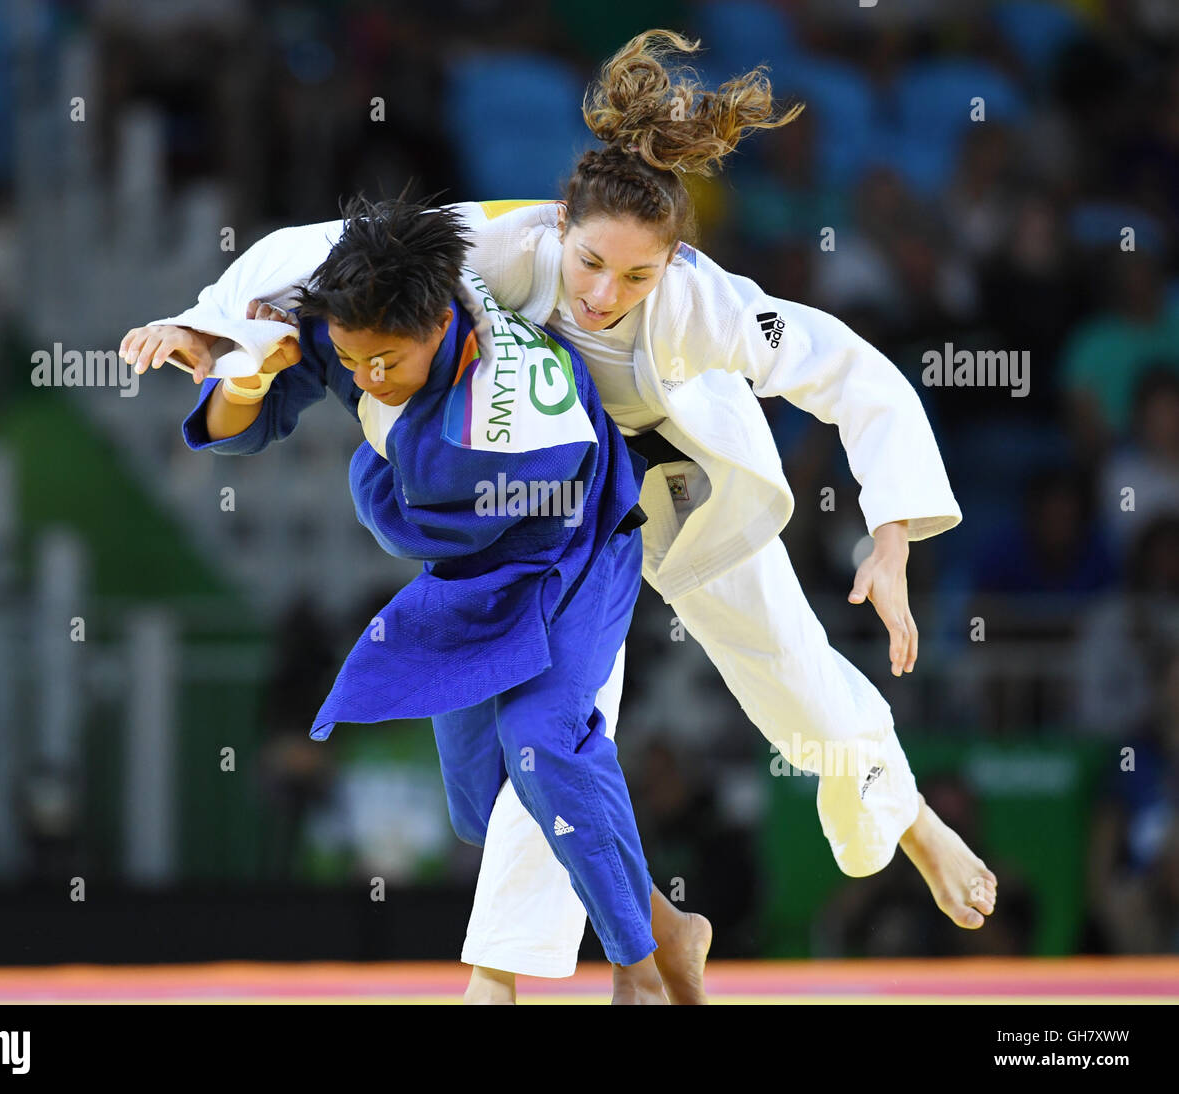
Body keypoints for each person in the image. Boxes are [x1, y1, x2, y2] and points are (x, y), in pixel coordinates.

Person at [121, 29, 998, 1004]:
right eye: (588, 264)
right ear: (559, 227)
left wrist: (890, 536)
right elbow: (316, 253)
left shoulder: (705, 304)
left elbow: (852, 370)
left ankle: (907, 814)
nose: (601, 293)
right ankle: (507, 975)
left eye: (634, 277)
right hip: (565, 519)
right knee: (554, 723)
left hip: (682, 492)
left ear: (673, 260)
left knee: (787, 668)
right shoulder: (502, 244)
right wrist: (206, 323)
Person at [119, 194, 710, 1004]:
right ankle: (667, 925)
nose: (368, 378)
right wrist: (240, 357)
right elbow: (240, 422)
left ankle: (640, 970)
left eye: (387, 363)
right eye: (351, 359)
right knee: (486, 805)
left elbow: (430, 510)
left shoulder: (506, 402)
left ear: (441, 325)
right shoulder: (370, 322)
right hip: (467, 577)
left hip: (570, 547)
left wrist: (378, 462)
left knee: (542, 741)